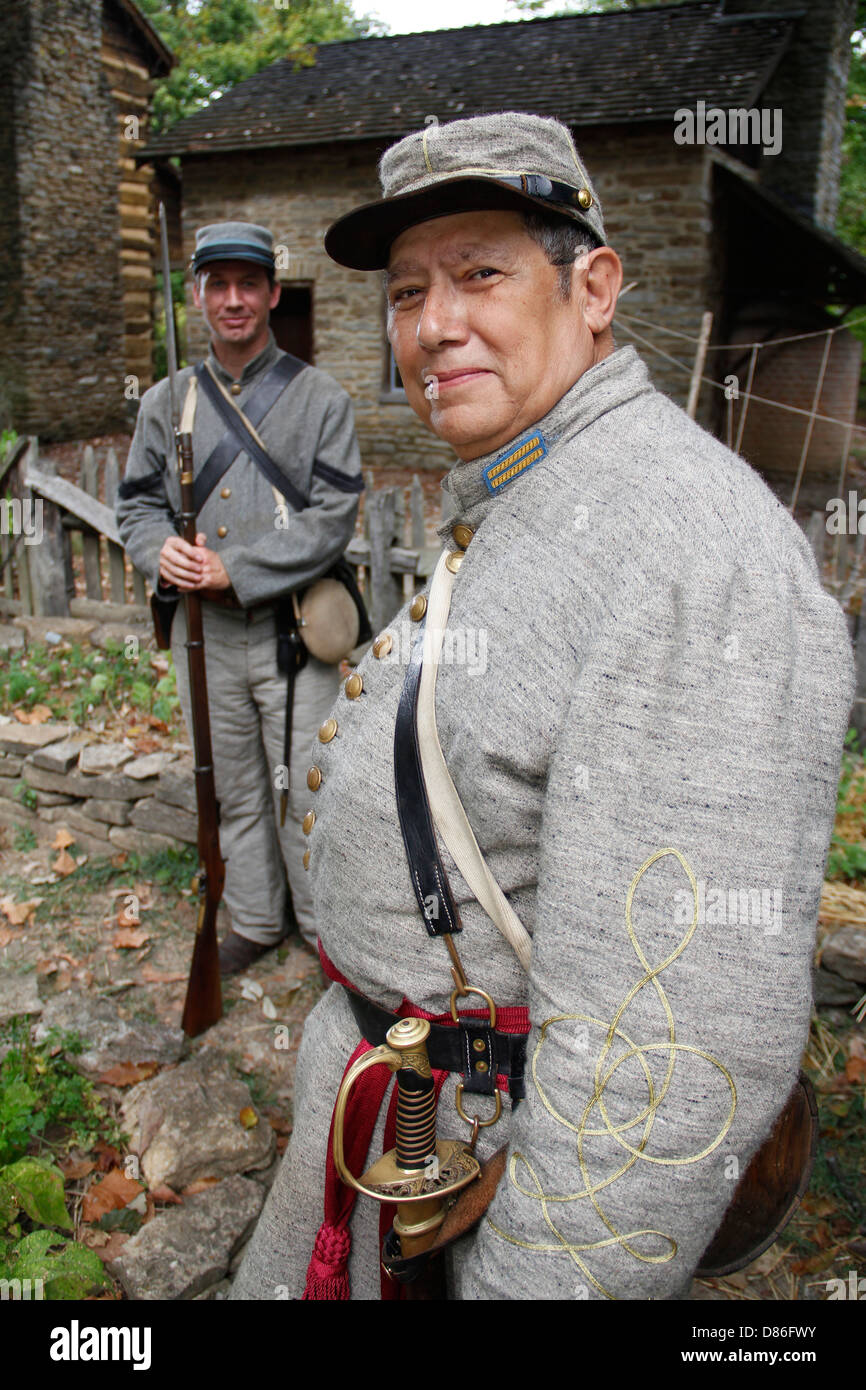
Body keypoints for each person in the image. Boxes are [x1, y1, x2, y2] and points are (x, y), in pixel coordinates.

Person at [230, 114, 853, 1300]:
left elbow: (664, 1055)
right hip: (393, 1125)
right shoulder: (534, 484)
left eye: (480, 274)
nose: (432, 323)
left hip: (482, 1171)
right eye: (407, 290)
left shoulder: (689, 553)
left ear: (596, 286)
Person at [117, 222, 363, 973]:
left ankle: (328, 937)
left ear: (271, 294)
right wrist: (157, 548)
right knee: (234, 787)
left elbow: (332, 518)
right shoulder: (164, 402)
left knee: (311, 791)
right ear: (197, 295)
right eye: (217, 284)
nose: (233, 300)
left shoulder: (320, 398)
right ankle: (256, 919)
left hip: (293, 631)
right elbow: (134, 505)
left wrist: (237, 568)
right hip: (206, 636)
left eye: (247, 284)